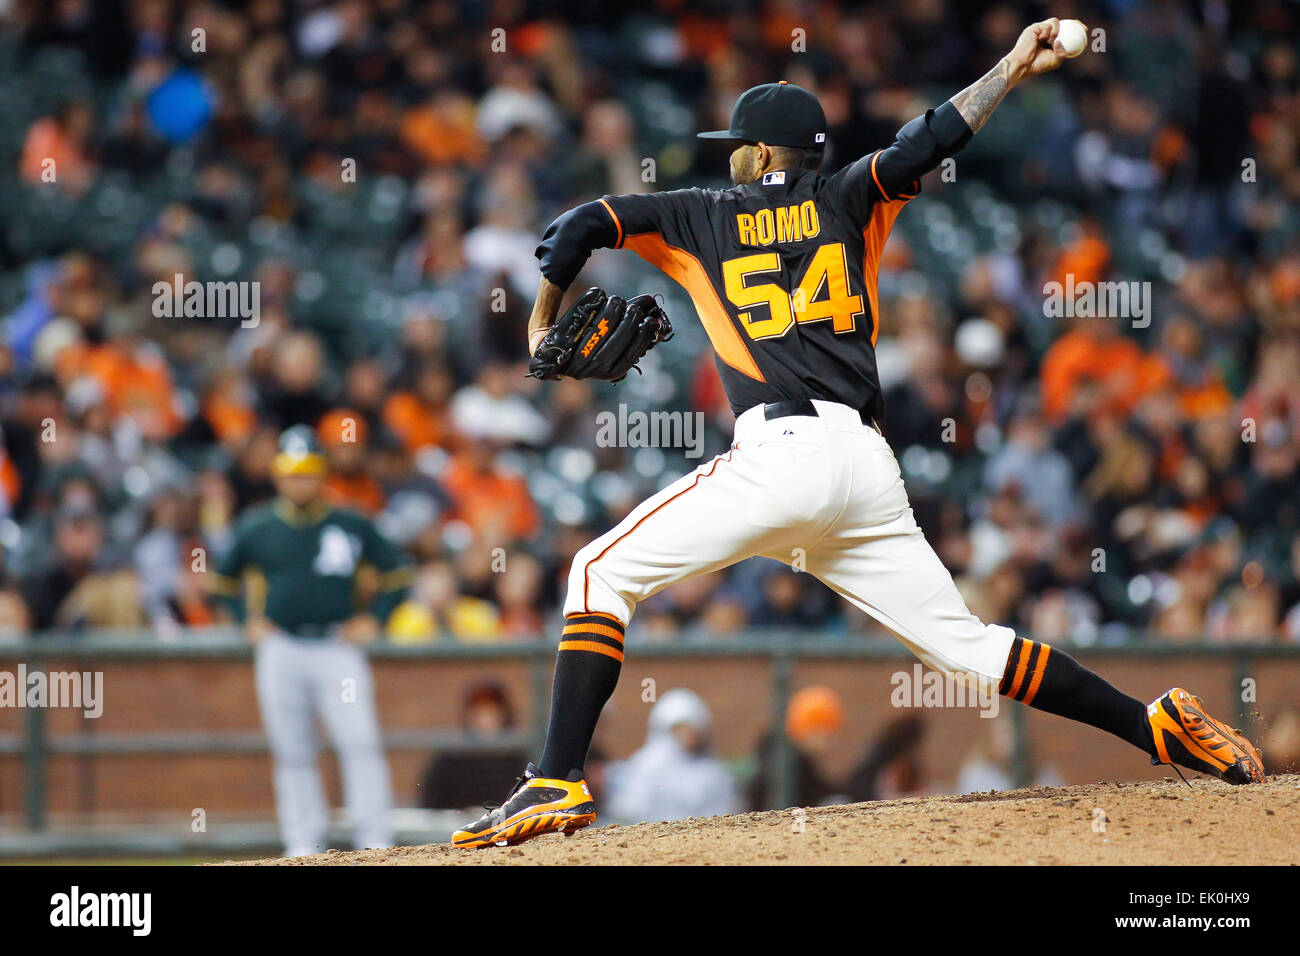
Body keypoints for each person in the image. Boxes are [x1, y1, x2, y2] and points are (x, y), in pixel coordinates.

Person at [453, 20, 1264, 850]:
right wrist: (1016, 63)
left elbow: (578, 225)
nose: (732, 154)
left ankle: (554, 778)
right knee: (970, 647)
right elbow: (935, 135)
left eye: (741, 145)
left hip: (782, 455)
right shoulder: (849, 195)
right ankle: (1151, 726)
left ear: (765, 156)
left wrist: (541, 324)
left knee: (595, 570)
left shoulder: (696, 212)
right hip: (867, 469)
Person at [210, 425, 411, 857]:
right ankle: (304, 844)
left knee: (359, 740)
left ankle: (374, 841)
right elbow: (221, 583)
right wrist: (245, 620)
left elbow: (397, 575)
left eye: (307, 471)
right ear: (277, 474)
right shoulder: (257, 526)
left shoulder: (351, 521)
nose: (298, 481)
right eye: (291, 472)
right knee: (292, 749)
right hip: (281, 647)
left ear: (322, 473)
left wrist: (374, 618)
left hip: (337, 646)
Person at [608, 688, 738, 823]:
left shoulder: (713, 770)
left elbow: (725, 809)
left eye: (692, 729)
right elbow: (630, 808)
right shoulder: (647, 766)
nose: (688, 736)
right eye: (681, 729)